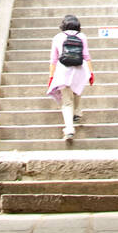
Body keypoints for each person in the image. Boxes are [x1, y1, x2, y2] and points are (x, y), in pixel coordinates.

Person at [46, 12, 94, 141]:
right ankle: (77, 112)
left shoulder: (57, 37)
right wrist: (91, 72)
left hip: (63, 71)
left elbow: (53, 60)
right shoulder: (82, 36)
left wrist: (51, 77)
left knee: (66, 101)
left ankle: (69, 129)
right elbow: (86, 56)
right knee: (77, 91)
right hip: (79, 70)